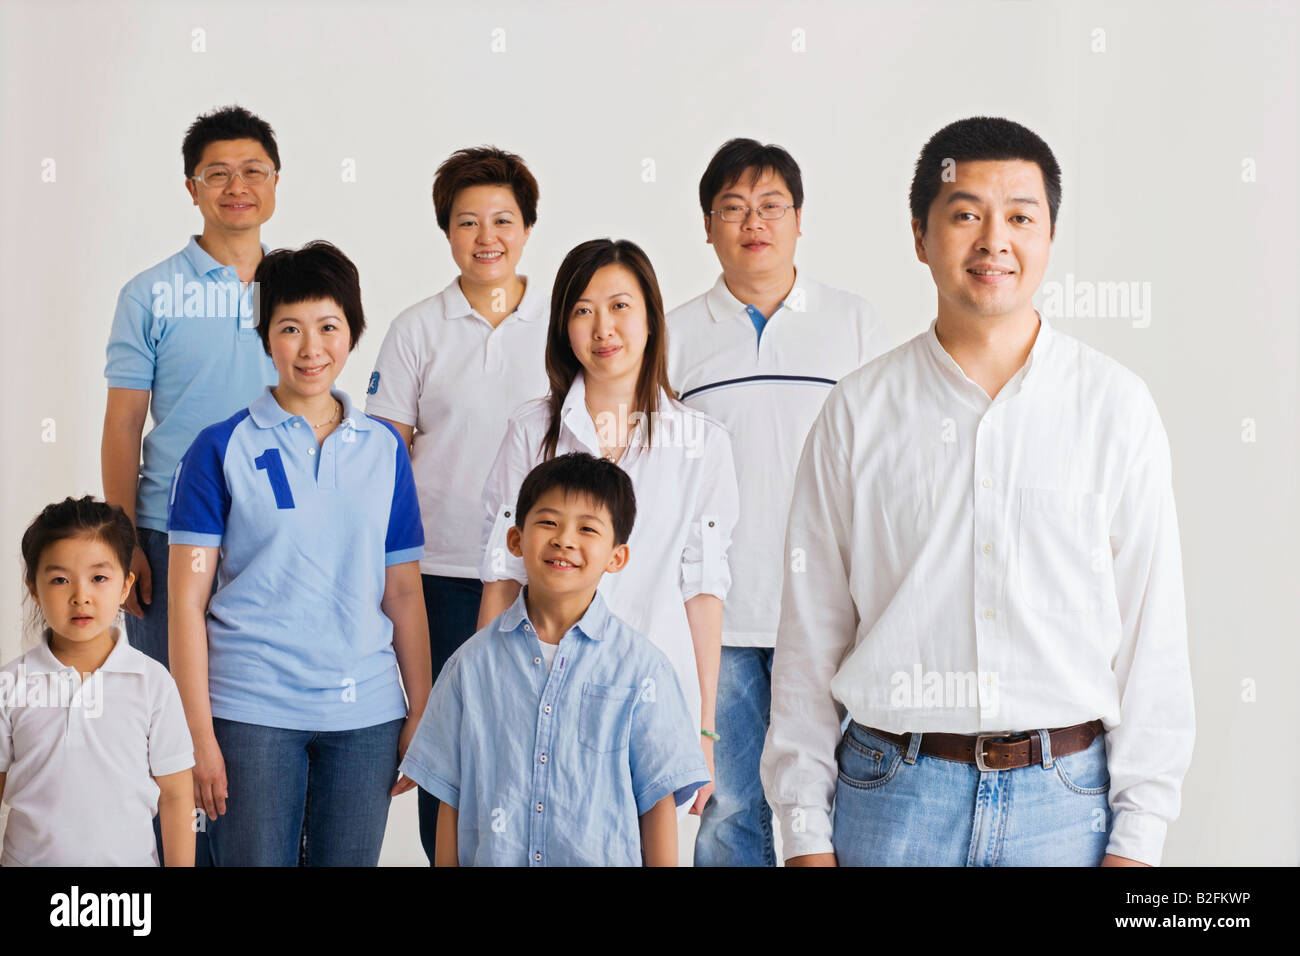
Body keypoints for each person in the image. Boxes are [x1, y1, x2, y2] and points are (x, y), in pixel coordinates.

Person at [761, 116, 1194, 867]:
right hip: (891, 800)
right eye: (966, 214)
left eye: (1020, 217)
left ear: (1050, 237)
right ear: (921, 236)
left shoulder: (1115, 409)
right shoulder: (858, 413)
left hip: (1066, 811)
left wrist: (1138, 844)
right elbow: (808, 637)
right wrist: (803, 839)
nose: (995, 240)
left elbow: (1153, 640)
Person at [167, 241, 431, 866]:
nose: (311, 348)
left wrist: (420, 709)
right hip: (249, 712)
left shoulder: (384, 451)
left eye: (328, 326)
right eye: (290, 328)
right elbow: (185, 601)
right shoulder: (218, 447)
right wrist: (198, 734)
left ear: (352, 332)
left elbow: (403, 592)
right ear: (266, 337)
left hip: (365, 714)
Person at [667, 138, 887, 867]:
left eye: (770, 206)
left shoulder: (855, 325)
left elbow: (886, 466)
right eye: (732, 209)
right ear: (707, 226)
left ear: (798, 219)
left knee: (832, 797)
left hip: (830, 606)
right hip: (718, 607)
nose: (752, 222)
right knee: (729, 805)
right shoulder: (673, 334)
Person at [477, 238, 739, 817]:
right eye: (582, 310)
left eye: (620, 306)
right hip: (537, 692)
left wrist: (703, 731)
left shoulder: (702, 444)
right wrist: (487, 703)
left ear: (650, 318)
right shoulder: (530, 434)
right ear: (563, 328)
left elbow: (703, 591)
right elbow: (500, 575)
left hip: (654, 700)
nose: (603, 328)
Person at [366, 146, 548, 863]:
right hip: (438, 572)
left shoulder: (561, 320)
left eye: (503, 220)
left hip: (541, 576)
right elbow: (382, 459)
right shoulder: (418, 328)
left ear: (528, 228)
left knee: (531, 749)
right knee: (445, 750)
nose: (486, 237)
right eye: (468, 222)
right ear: (447, 233)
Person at [400, 452, 709, 865]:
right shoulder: (469, 667)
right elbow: (449, 798)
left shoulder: (643, 671)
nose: (565, 539)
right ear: (515, 539)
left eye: (587, 528)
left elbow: (657, 802)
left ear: (617, 557)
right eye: (548, 522)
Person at [102, 104, 281, 670]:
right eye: (218, 173)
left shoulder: (301, 289)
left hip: (279, 521)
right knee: (169, 708)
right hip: (167, 526)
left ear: (275, 181)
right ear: (192, 188)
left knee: (262, 705)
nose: (237, 186)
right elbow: (123, 424)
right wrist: (122, 539)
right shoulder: (149, 294)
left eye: (253, 170)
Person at [1, 497, 194, 866]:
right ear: (34, 589)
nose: (81, 596)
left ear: (125, 587)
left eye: (99, 578)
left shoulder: (152, 683)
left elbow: (176, 795)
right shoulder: (11, 685)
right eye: (60, 580)